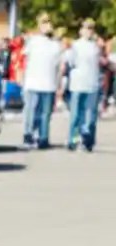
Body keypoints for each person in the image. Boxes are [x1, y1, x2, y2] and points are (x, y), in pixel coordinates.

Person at [21, 13, 63, 149]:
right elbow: (24, 60)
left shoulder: (56, 45)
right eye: (44, 23)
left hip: (49, 84)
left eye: (48, 23)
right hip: (33, 83)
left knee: (45, 114)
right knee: (31, 112)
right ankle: (28, 136)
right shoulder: (33, 41)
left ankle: (43, 138)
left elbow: (59, 67)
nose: (47, 26)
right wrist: (22, 79)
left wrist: (59, 84)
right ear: (39, 25)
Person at [63, 19, 102, 151]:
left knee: (90, 117)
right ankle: (73, 140)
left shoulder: (96, 46)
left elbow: (101, 62)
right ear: (81, 31)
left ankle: (87, 142)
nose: (89, 31)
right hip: (78, 84)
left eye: (91, 29)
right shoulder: (75, 45)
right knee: (75, 116)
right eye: (86, 28)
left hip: (92, 84)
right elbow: (71, 62)